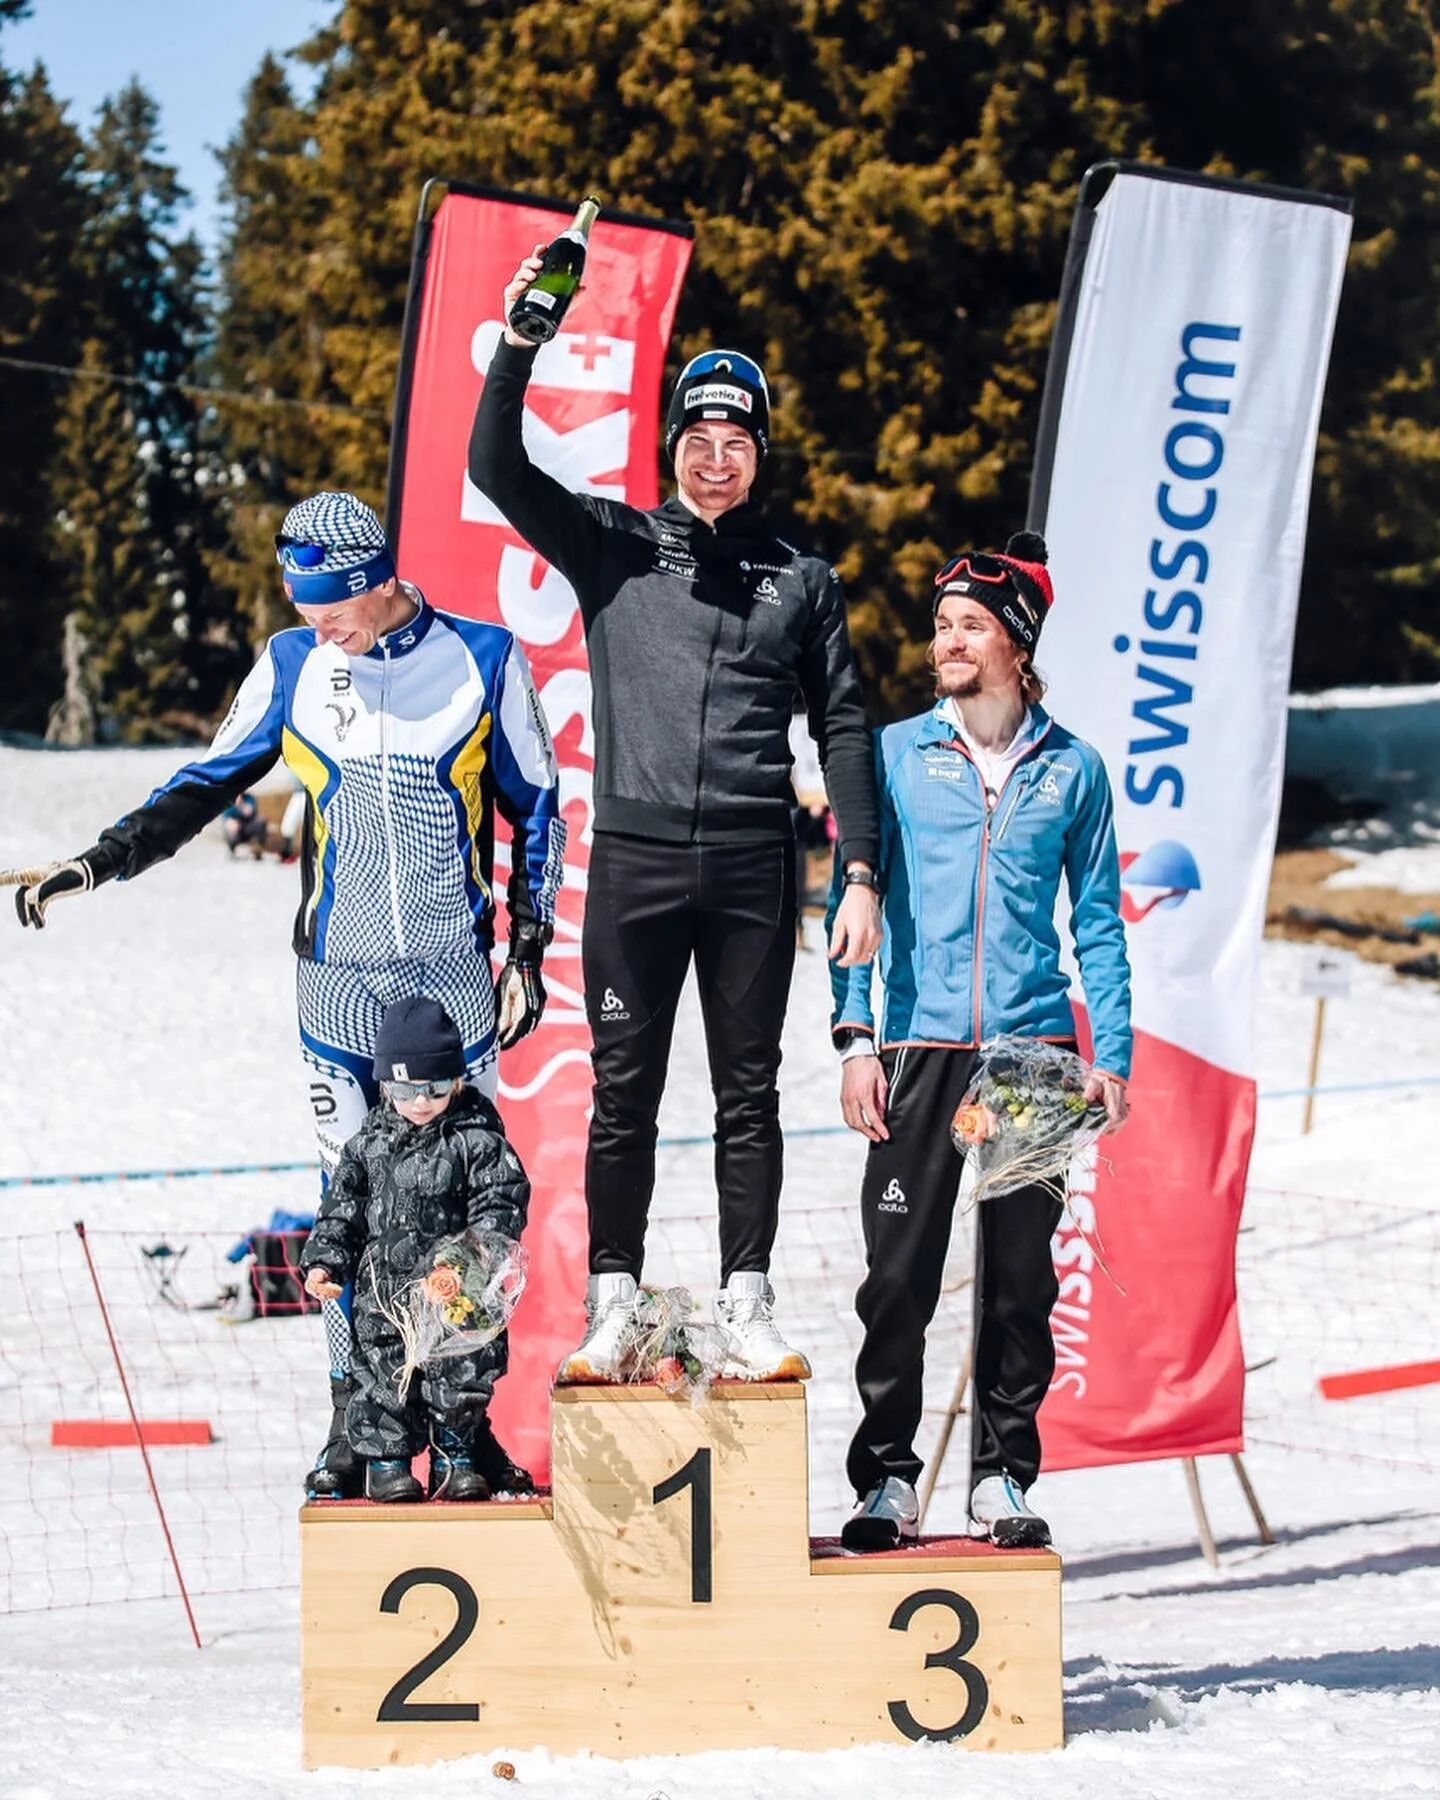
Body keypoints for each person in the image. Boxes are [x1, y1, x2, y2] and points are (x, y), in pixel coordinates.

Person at [13, 490, 564, 1499]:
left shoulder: (482, 659)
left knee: (466, 1223)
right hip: (337, 991)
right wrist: (99, 863)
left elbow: (539, 809)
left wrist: (526, 945)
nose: (325, 632)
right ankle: (356, 1427)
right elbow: (205, 782)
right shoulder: (295, 665)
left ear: (379, 581)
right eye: (308, 615)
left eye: (336, 611)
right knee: (346, 1216)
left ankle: (465, 1429)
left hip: (450, 987)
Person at [469, 249, 882, 1384]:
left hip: (756, 863)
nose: (716, 457)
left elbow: (843, 727)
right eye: (698, 439)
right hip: (638, 863)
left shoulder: (803, 576)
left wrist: (862, 872)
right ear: (674, 450)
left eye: (737, 440)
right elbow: (495, 466)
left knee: (749, 1096)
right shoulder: (613, 543)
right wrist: (519, 345)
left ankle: (747, 1303)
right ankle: (614, 1302)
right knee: (623, 1095)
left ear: (759, 452)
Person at [830, 532, 1132, 1552]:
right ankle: (888, 1480)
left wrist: (1113, 1055)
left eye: (969, 625)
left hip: (1034, 1056)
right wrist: (854, 1037)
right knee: (896, 1277)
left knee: (1021, 1281)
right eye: (942, 623)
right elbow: (853, 904)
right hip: (915, 1047)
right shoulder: (895, 756)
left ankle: (1002, 1475)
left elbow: (1097, 921)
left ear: (1016, 645)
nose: (945, 640)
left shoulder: (1074, 770)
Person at [301, 997, 530, 1502]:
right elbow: (341, 1207)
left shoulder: (477, 1138)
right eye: (406, 1090)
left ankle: (455, 1455)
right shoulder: (369, 1143)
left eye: (433, 1087)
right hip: (386, 1294)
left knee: (461, 1368)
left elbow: (502, 1199)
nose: (420, 1102)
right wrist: (325, 1259)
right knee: (385, 1372)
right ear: (385, 1086)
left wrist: (472, 1259)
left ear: (456, 1081)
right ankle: (388, 1462)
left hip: (456, 1291)